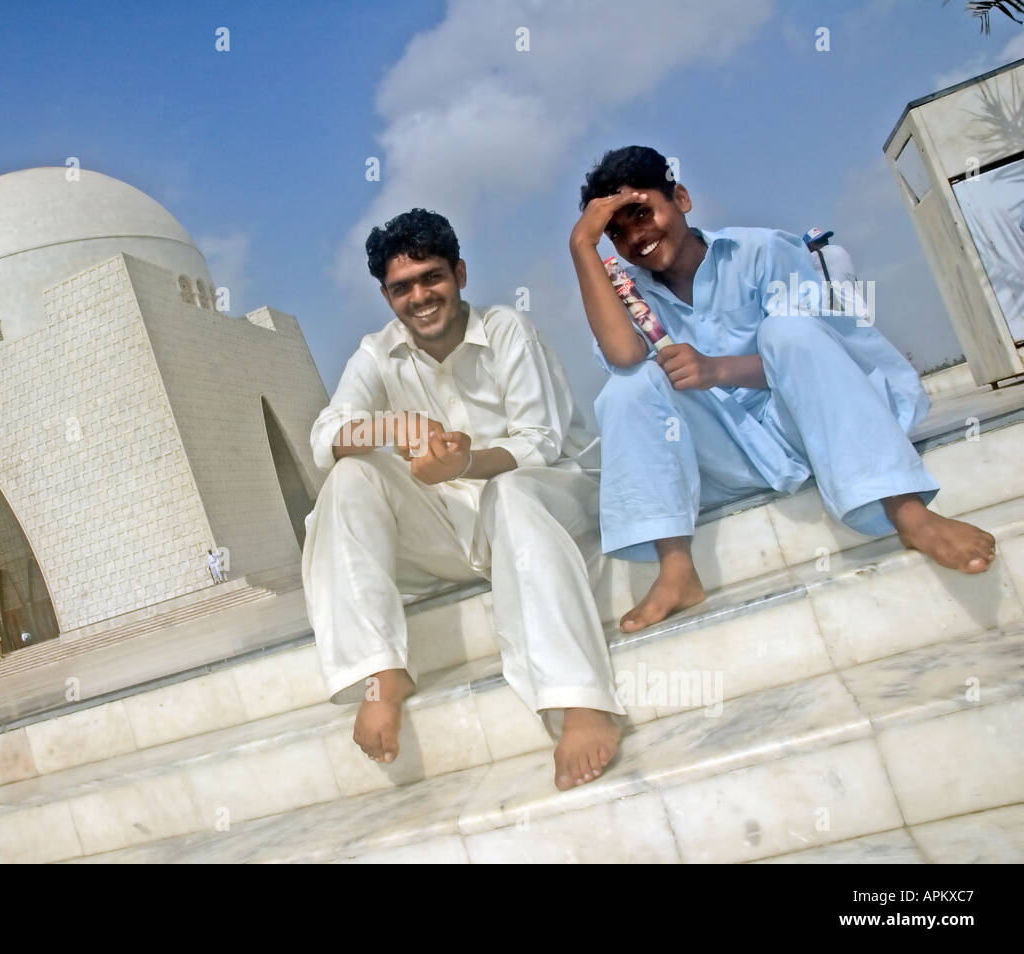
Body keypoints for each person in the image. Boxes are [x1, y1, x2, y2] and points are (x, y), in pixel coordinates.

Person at [569, 146, 996, 634]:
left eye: (641, 213)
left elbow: (820, 346)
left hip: (807, 424)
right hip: (733, 453)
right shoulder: (630, 292)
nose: (635, 237)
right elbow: (624, 357)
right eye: (615, 233)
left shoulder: (760, 250)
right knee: (627, 387)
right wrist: (582, 246)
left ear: (681, 198)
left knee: (787, 330)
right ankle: (676, 567)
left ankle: (908, 511)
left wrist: (717, 370)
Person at [304, 208, 623, 791]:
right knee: (349, 479)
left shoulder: (507, 330)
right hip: (454, 532)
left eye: (433, 277)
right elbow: (325, 436)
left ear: (460, 274)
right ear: (386, 296)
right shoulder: (377, 353)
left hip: (547, 507)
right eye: (402, 287)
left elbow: (540, 444)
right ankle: (381, 673)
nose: (420, 297)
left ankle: (580, 702)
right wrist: (391, 428)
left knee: (511, 491)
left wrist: (466, 463)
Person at [802, 226, 860, 316]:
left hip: (841, 314)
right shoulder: (842, 251)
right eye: (819, 241)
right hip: (859, 309)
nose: (825, 243)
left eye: (824, 240)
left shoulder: (817, 256)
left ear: (808, 247)